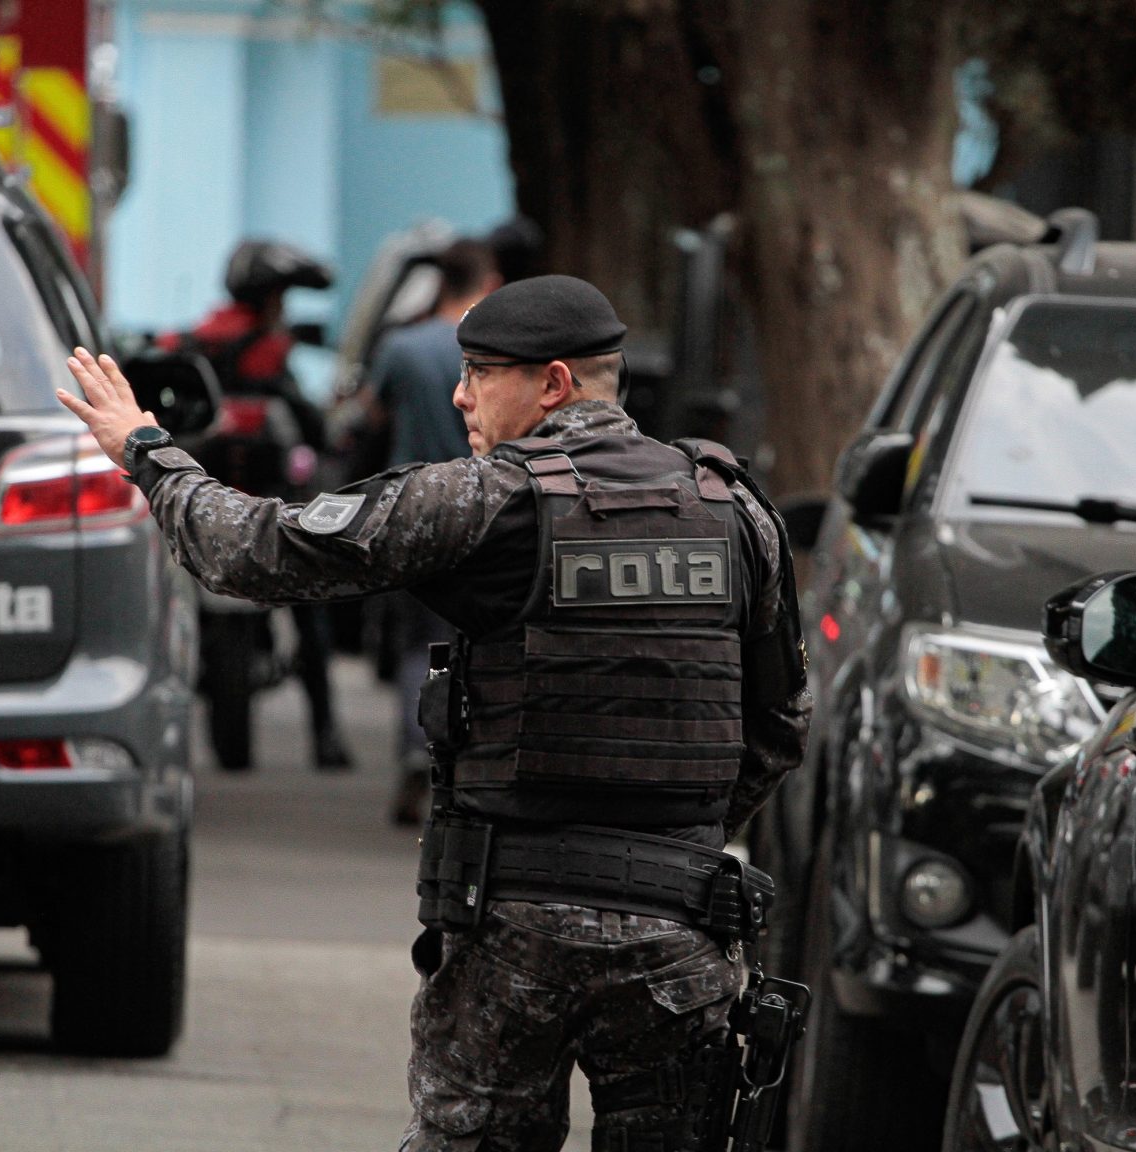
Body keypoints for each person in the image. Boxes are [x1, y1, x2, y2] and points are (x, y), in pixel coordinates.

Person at [56, 274, 811, 1152]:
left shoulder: (486, 499)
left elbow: (255, 550)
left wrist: (148, 450)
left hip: (513, 938)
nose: (458, 393)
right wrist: (672, 843)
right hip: (684, 939)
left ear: (554, 384)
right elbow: (781, 723)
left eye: (480, 372)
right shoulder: (736, 511)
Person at [160, 239, 353, 770]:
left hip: (204, 502)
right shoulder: (269, 349)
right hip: (277, 507)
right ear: (270, 297)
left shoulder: (193, 341)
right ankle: (327, 736)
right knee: (314, 606)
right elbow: (315, 430)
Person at [363, 238, 502, 825]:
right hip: (487, 512)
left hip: (412, 514)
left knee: (419, 645)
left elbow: (370, 414)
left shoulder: (401, 345)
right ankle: (469, 766)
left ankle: (415, 750)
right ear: (488, 282)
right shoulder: (495, 351)